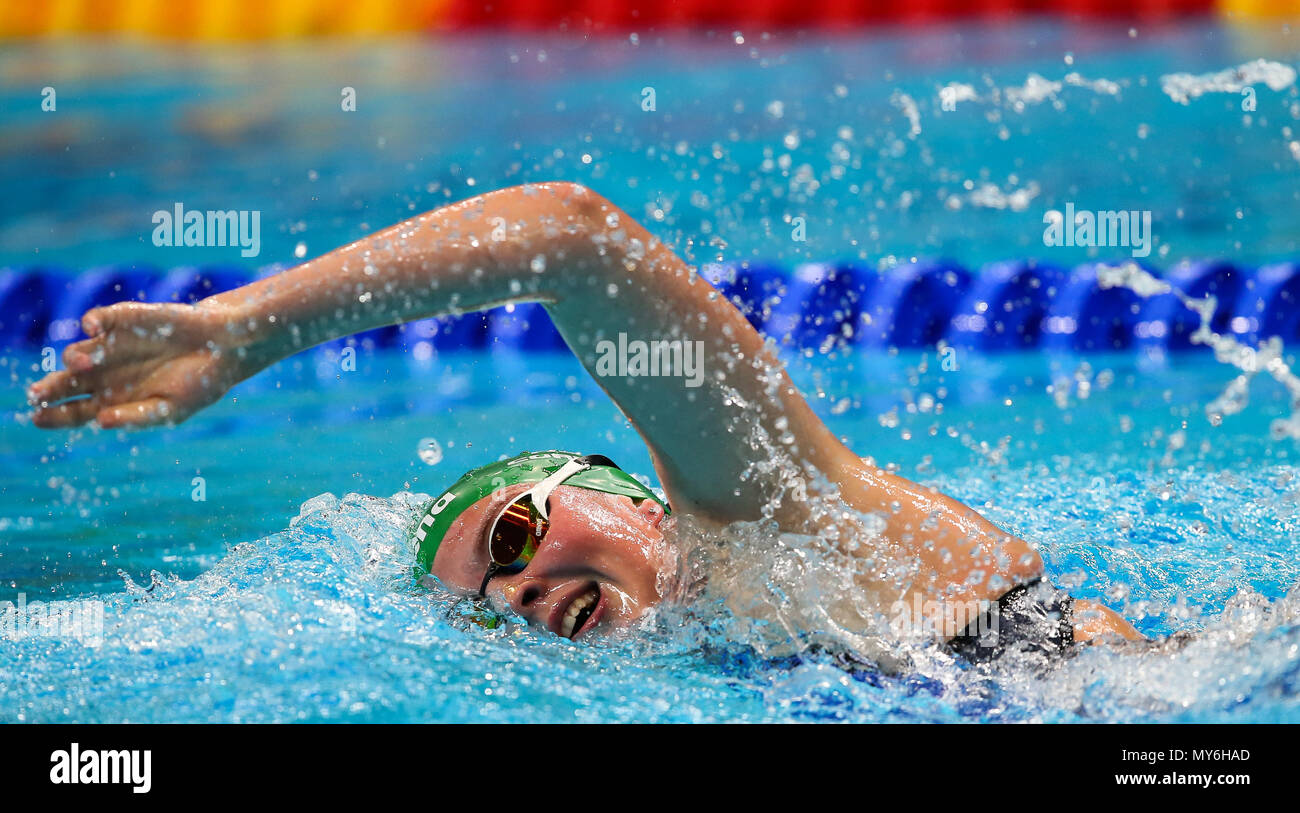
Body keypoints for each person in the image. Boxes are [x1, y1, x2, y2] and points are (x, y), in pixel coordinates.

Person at [27, 181, 1143, 668]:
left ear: (621, 496)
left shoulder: (763, 516)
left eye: (511, 540)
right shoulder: (718, 652)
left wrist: (248, 331)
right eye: (488, 610)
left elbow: (567, 238)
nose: (514, 595)